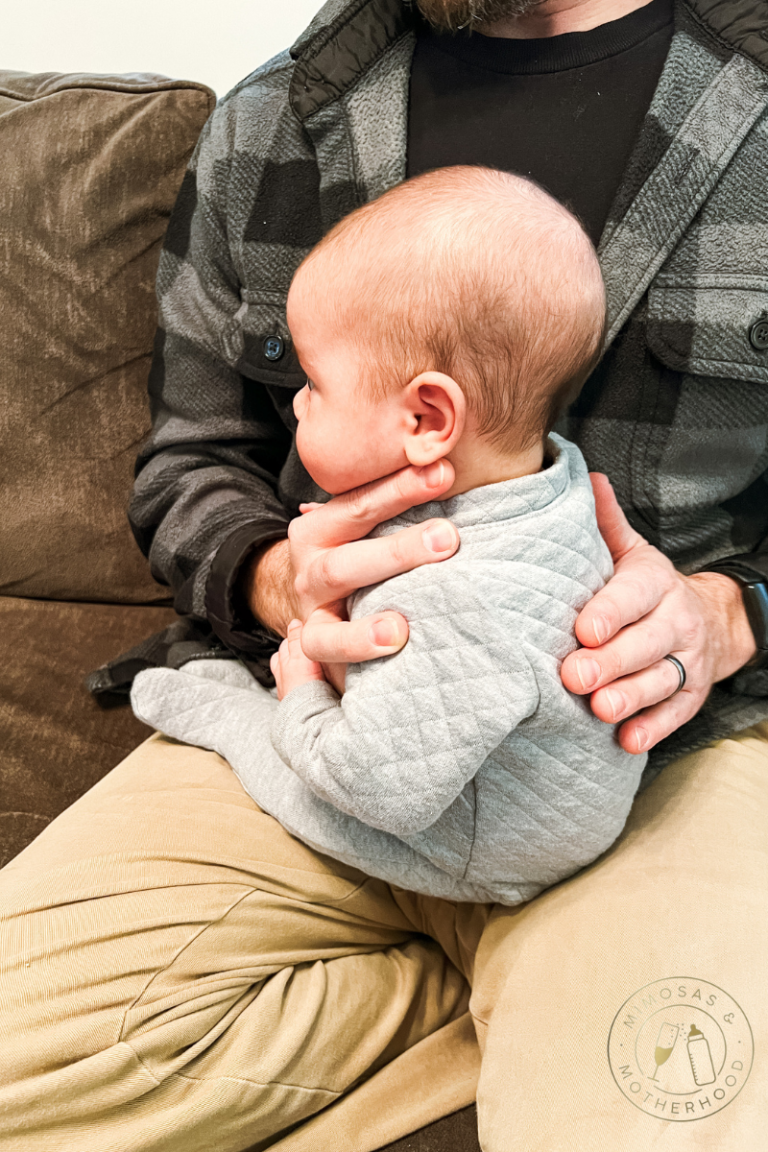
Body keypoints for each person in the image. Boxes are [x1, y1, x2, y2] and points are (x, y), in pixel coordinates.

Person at [2, 0, 768, 1149]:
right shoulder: (276, 118)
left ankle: (527, 1007)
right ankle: (457, 1014)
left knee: (659, 1104)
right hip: (322, 723)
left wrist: (730, 613)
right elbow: (190, 465)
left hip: (656, 756)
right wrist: (279, 580)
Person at [132, 165, 648, 906]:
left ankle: (223, 714)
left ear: (427, 419)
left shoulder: (445, 597)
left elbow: (374, 793)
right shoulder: (551, 481)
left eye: (316, 383)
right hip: (546, 791)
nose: (298, 403)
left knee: (275, 754)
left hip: (476, 849)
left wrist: (303, 693)